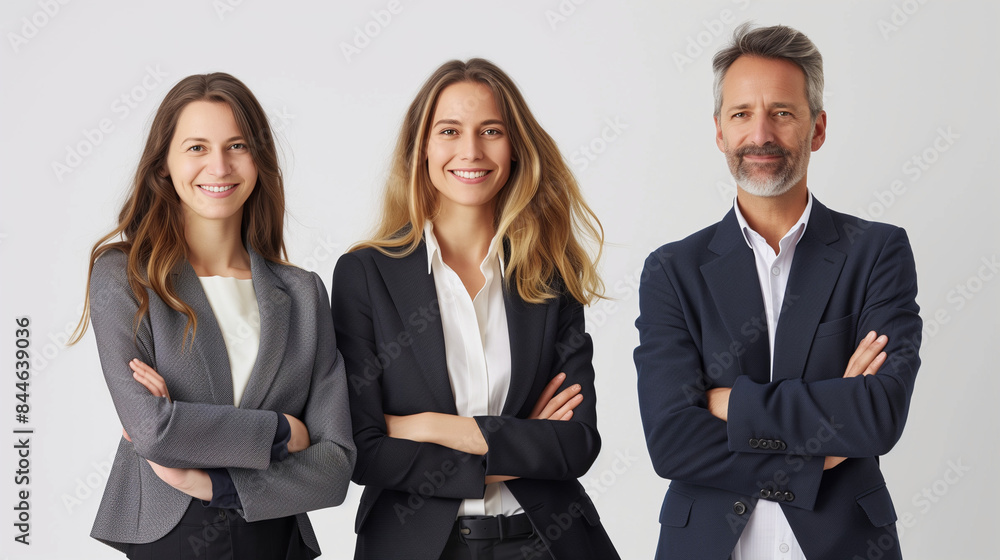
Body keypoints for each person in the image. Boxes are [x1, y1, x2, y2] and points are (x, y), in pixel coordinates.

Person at [634, 23, 921, 560]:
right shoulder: (673, 270)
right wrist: (817, 450)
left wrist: (730, 402)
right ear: (719, 131)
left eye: (782, 113)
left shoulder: (876, 252)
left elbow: (878, 413)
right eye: (742, 114)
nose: (760, 134)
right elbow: (672, 441)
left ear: (817, 128)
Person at [332, 58, 620, 560]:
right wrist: (522, 440)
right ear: (422, 147)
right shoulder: (365, 274)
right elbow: (364, 449)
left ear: (514, 149)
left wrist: (429, 426)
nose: (471, 151)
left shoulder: (548, 272)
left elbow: (576, 443)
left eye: (491, 131)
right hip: (415, 546)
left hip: (547, 542)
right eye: (449, 131)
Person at [70, 72, 356, 559]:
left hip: (276, 539)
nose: (219, 166)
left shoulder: (303, 293)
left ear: (258, 160)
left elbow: (335, 468)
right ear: (165, 163)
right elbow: (151, 430)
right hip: (169, 538)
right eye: (197, 147)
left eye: (237, 145)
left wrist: (204, 478)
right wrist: (285, 432)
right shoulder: (124, 276)